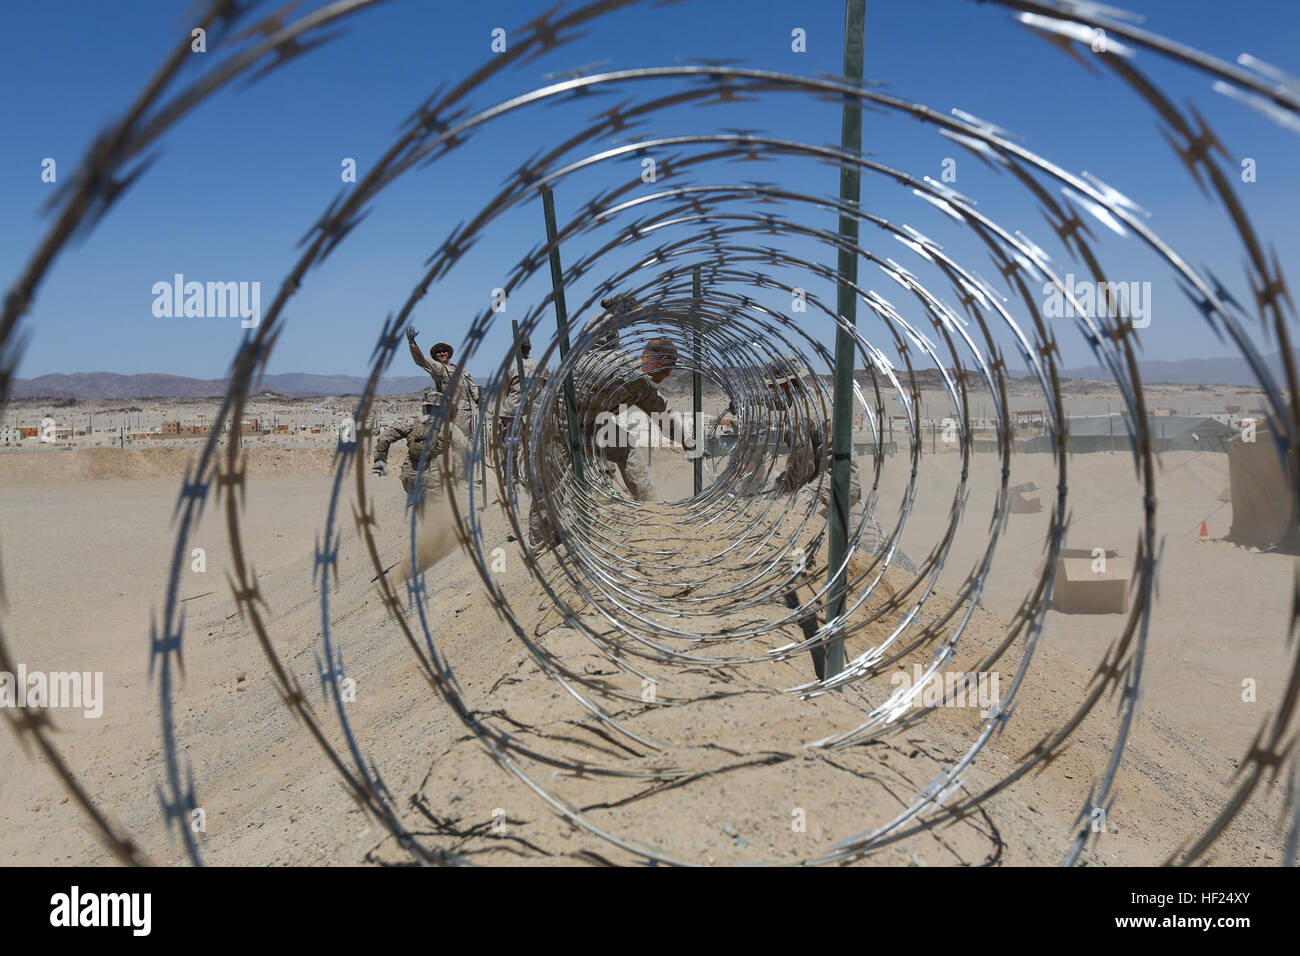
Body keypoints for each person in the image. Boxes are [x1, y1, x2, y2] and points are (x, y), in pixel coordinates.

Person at [528, 337, 696, 548]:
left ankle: (651, 509)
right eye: (670, 367)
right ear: (661, 360)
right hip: (555, 423)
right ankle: (540, 542)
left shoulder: (643, 386)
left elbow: (663, 415)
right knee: (550, 485)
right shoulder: (616, 366)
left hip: (592, 424)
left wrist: (688, 440)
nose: (670, 374)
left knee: (626, 446)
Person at [369, 388, 469, 503]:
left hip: (410, 480)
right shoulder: (449, 427)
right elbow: (466, 449)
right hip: (435, 482)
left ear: (427, 407)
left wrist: (380, 460)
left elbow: (384, 437)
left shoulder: (412, 424)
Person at [405, 327, 480, 439]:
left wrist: (479, 400)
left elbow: (472, 386)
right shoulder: (438, 368)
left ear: (449, 353)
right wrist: (412, 342)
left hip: (467, 411)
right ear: (435, 356)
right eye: (438, 352)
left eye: (444, 351)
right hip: (452, 410)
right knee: (454, 440)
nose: (442, 353)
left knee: (466, 441)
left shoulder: (461, 369)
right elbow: (421, 360)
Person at [497, 333, 546, 487]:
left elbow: (504, 390)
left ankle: (512, 479)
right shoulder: (540, 366)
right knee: (530, 447)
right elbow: (543, 388)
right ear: (530, 348)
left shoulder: (511, 367)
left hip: (513, 411)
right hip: (530, 411)